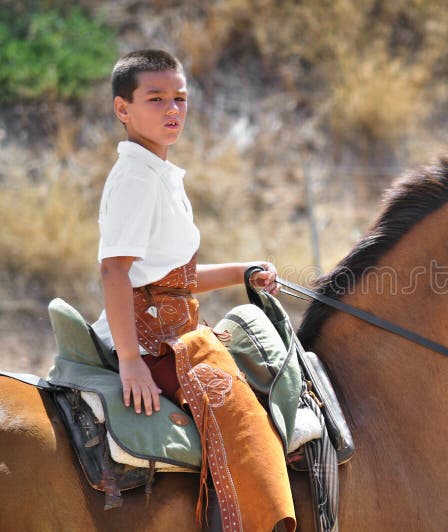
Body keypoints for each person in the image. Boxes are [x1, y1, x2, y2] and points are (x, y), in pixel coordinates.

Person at [93, 49, 295, 531]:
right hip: (153, 343)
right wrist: (130, 361)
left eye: (179, 98)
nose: (172, 110)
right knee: (249, 429)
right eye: (156, 98)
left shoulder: (160, 173)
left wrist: (243, 270)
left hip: (181, 329)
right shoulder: (138, 180)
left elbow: (175, 279)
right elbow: (113, 274)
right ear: (123, 109)